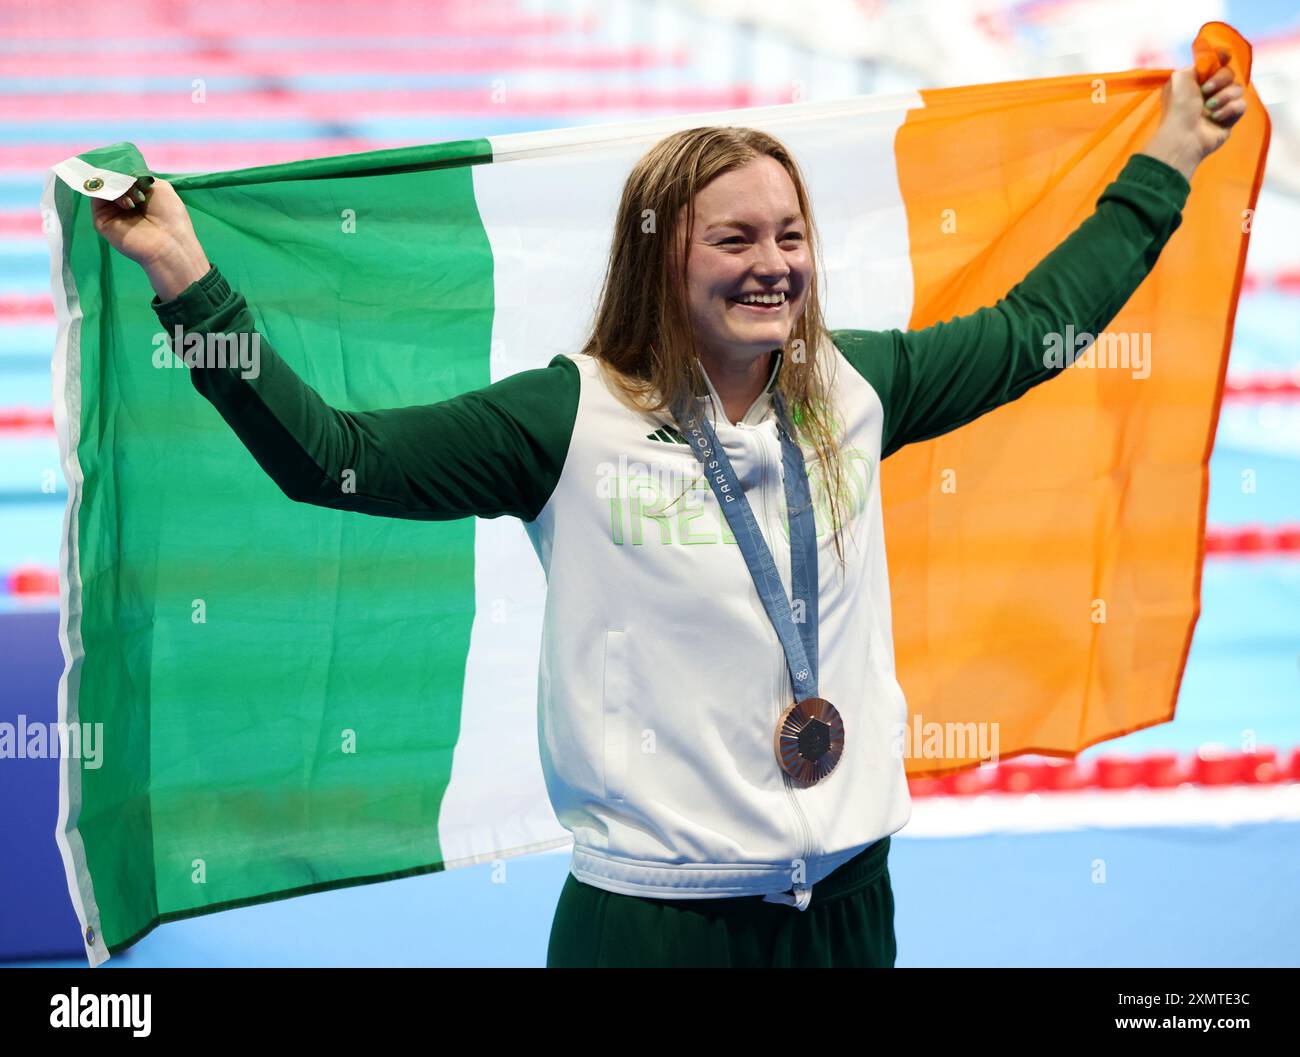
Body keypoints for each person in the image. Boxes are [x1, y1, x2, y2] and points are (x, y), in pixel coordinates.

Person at [91, 58, 1246, 968]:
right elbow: (332, 459)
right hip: (653, 927)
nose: (773, 267)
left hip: (847, 908)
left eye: (790, 237)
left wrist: (1170, 160)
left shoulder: (852, 390)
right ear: (662, 260)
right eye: (734, 239)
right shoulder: (566, 418)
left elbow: (1040, 323)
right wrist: (188, 277)